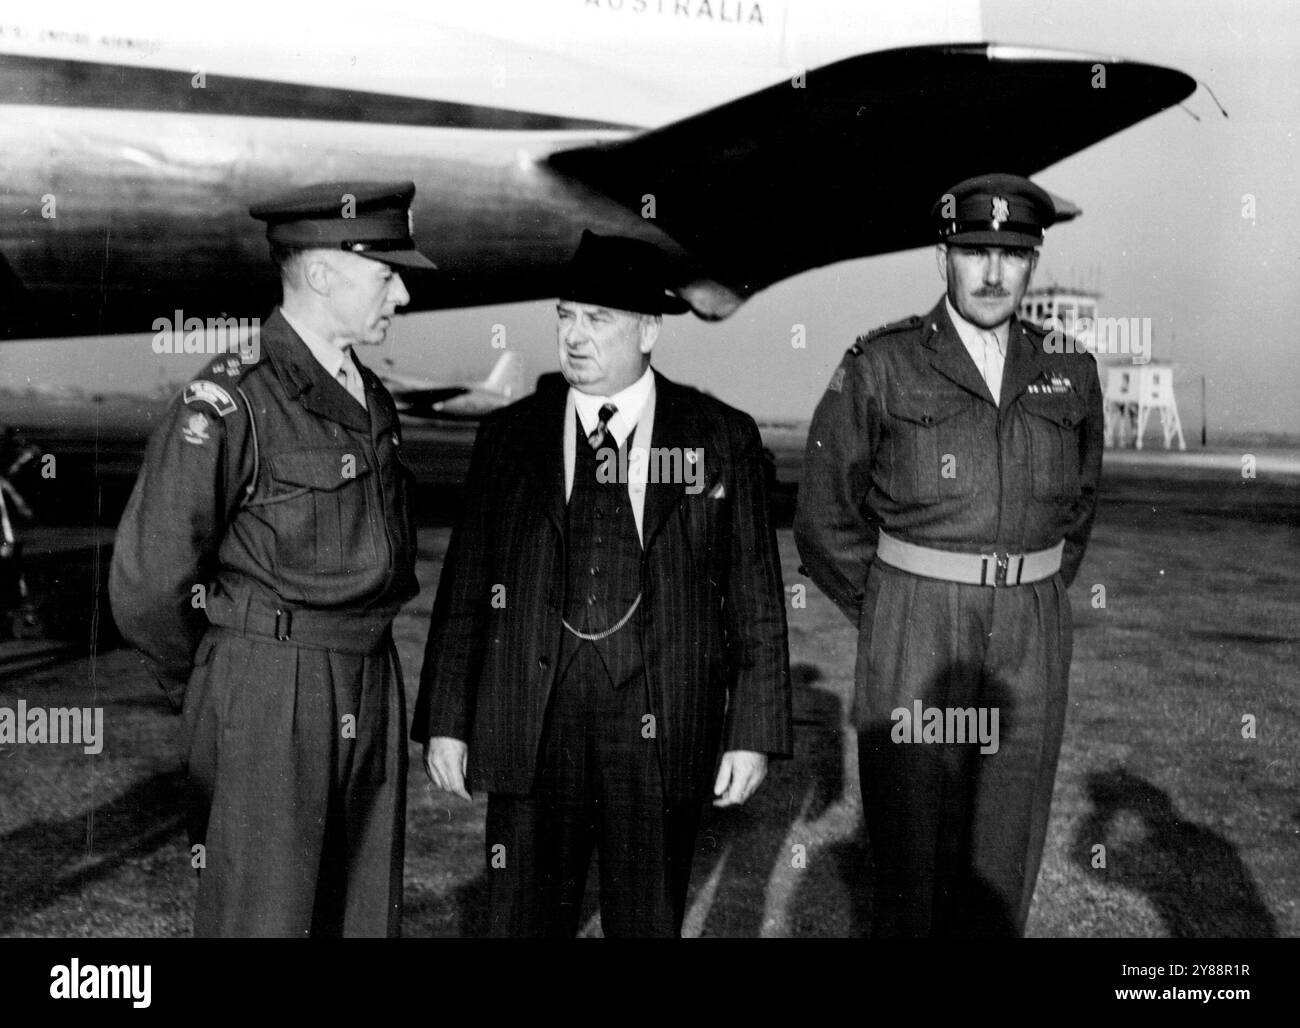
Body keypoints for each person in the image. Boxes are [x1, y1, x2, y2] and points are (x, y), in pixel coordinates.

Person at [413, 230, 792, 937]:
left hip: (658, 727)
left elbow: (755, 600)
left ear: (649, 330)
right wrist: (445, 721)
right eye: (565, 317)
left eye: (599, 320)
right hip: (531, 720)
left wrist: (754, 732)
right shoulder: (509, 437)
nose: (575, 338)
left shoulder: (718, 436)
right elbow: (466, 592)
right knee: (518, 921)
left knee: (646, 922)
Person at [110, 180, 436, 937]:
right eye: (388, 274)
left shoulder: (369, 394)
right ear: (323, 274)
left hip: (368, 674)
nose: (405, 293)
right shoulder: (232, 398)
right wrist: (219, 682)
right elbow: (149, 579)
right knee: (265, 916)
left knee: (361, 912)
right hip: (270, 683)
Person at [794, 173, 1104, 937]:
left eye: (1012, 253)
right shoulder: (882, 362)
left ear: (1033, 263)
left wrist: (1027, 589)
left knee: (1005, 855)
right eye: (974, 251)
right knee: (912, 856)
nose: (993, 272)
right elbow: (823, 516)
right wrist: (897, 606)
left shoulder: (1072, 370)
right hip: (917, 628)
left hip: (1029, 634)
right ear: (944, 257)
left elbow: (1080, 508)